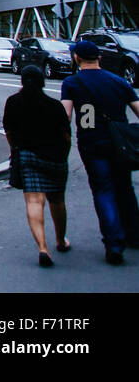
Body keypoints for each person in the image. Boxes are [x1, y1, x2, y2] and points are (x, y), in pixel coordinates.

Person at [60, 40, 139, 265]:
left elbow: (65, 116)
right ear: (99, 59)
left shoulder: (72, 83)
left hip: (91, 143)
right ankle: (134, 234)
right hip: (120, 143)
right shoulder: (119, 81)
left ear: (77, 58)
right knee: (124, 187)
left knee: (103, 190)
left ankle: (114, 243)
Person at [2, 65, 71, 267]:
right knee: (57, 200)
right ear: (43, 81)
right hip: (55, 157)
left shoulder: (13, 102)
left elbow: (9, 131)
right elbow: (66, 136)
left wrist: (14, 148)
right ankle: (60, 240)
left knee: (34, 201)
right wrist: (63, 155)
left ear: (22, 81)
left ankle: (43, 247)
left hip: (28, 156)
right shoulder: (54, 105)